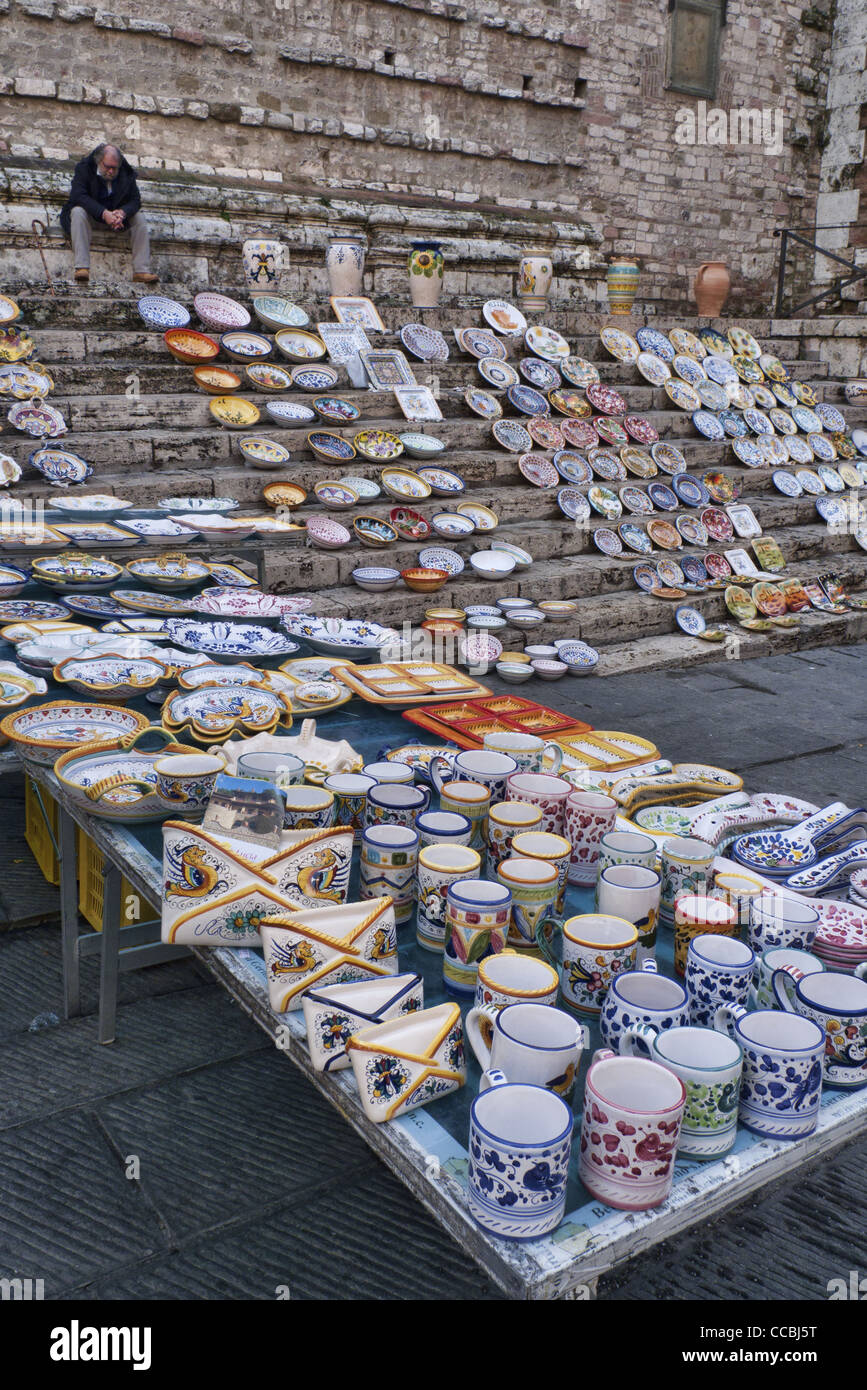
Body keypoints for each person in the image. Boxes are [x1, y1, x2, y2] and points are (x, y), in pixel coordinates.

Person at [59, 143, 157, 284]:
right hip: (92, 217)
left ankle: (141, 271)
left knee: (139, 217)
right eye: (107, 167)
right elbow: (78, 196)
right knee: (77, 212)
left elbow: (135, 200)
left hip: (118, 219)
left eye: (114, 168)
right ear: (99, 161)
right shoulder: (84, 168)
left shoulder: (125, 172)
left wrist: (123, 213)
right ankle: (82, 267)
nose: (111, 171)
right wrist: (103, 213)